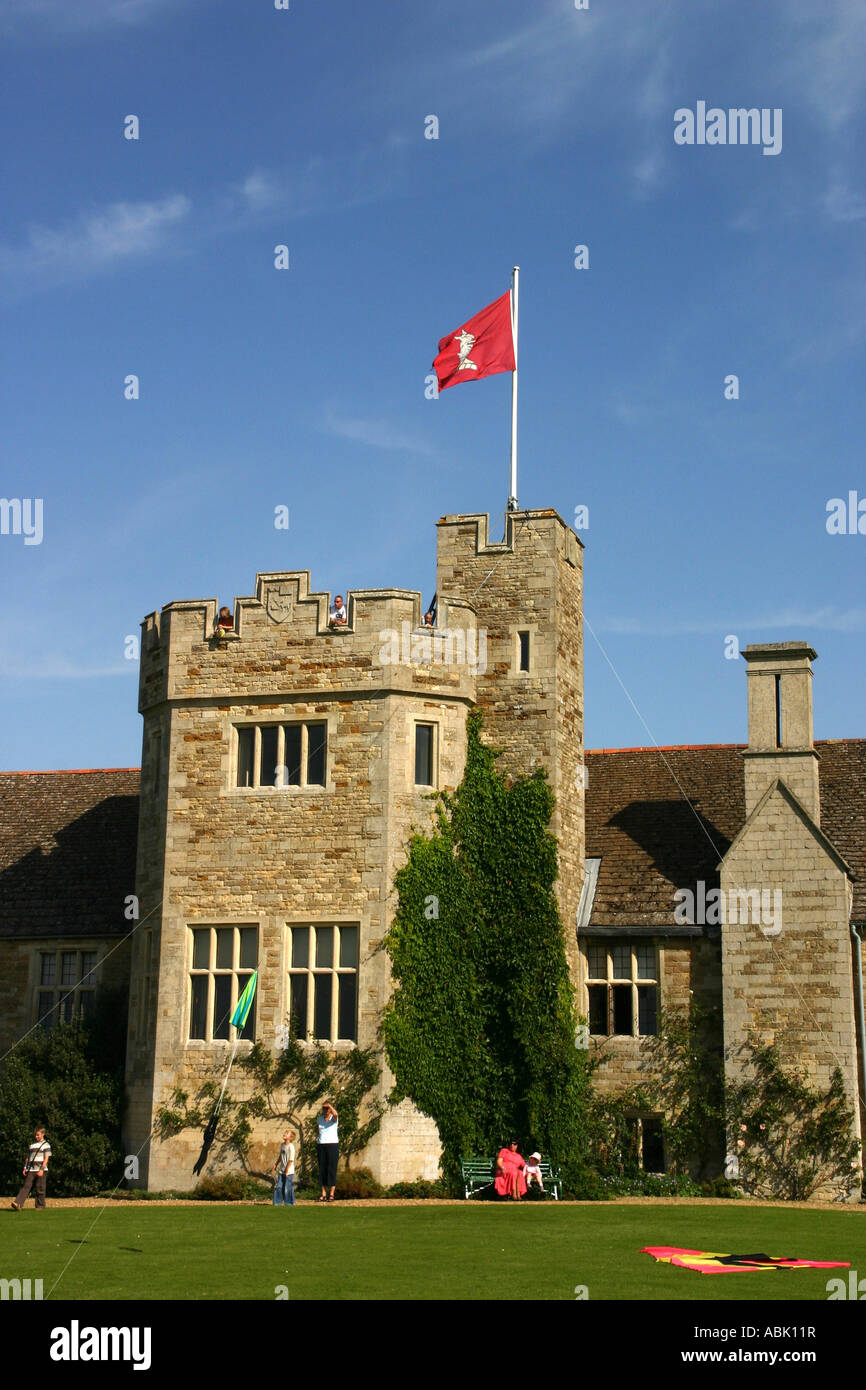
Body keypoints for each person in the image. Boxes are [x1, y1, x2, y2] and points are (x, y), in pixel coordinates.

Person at [12, 1125, 51, 1210]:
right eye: (35, 1135)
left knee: (40, 1188)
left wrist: (41, 1169)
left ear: (43, 1134)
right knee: (26, 1186)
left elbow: (46, 1158)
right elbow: (28, 1157)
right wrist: (25, 1167)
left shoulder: (46, 1145)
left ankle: (40, 1206)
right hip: (31, 1169)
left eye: (38, 1135)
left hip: (41, 1170)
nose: (36, 1136)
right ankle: (18, 1203)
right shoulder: (32, 1145)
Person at [316, 1101, 339, 1202]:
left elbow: (336, 1114)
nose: (325, 1110)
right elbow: (318, 1130)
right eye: (324, 1108)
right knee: (322, 1169)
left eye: (327, 1108)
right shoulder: (319, 1119)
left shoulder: (333, 1119)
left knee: (332, 1168)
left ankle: (332, 1194)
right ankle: (323, 1193)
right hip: (321, 1145)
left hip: (332, 1145)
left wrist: (330, 1105)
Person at [272, 1129, 296, 1207]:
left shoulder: (291, 1147)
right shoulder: (282, 1145)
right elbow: (281, 1156)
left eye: (287, 1133)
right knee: (279, 1186)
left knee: (287, 1187)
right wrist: (276, 1164)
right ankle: (277, 1202)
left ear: (290, 1137)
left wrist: (286, 1170)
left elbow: (291, 1160)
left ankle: (289, 1203)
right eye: (285, 1132)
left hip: (289, 1172)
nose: (284, 1134)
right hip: (281, 1171)